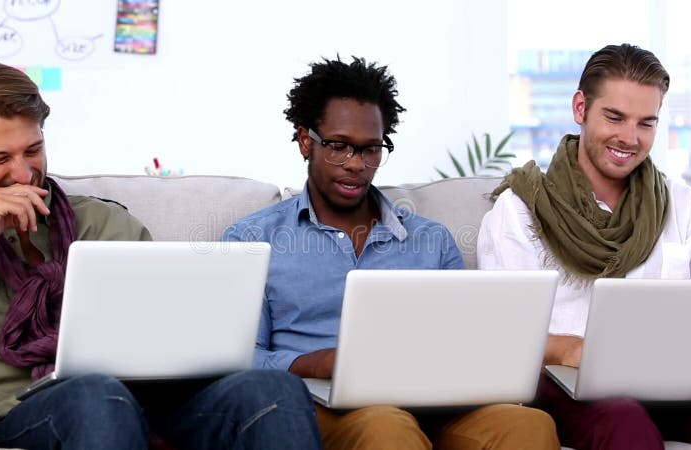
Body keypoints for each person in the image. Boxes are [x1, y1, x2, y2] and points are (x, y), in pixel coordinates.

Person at [0, 62, 321, 450]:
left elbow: (167, 325)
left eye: (33, 150)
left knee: (274, 390)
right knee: (99, 397)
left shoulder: (104, 222)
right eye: (0, 158)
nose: (22, 174)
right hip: (18, 408)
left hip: (146, 400)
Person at [223, 55, 559, 450]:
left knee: (528, 426)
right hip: (320, 404)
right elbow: (238, 358)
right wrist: (314, 362)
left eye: (370, 150)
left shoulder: (431, 241)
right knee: (386, 427)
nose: (356, 164)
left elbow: (466, 343)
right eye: (338, 147)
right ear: (304, 140)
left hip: (433, 403)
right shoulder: (253, 238)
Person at [477, 43, 691, 450]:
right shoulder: (521, 210)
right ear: (581, 108)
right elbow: (504, 330)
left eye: (646, 123)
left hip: (674, 380)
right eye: (614, 117)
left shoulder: (679, 202)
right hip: (571, 386)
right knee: (623, 421)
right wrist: (578, 350)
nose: (629, 138)